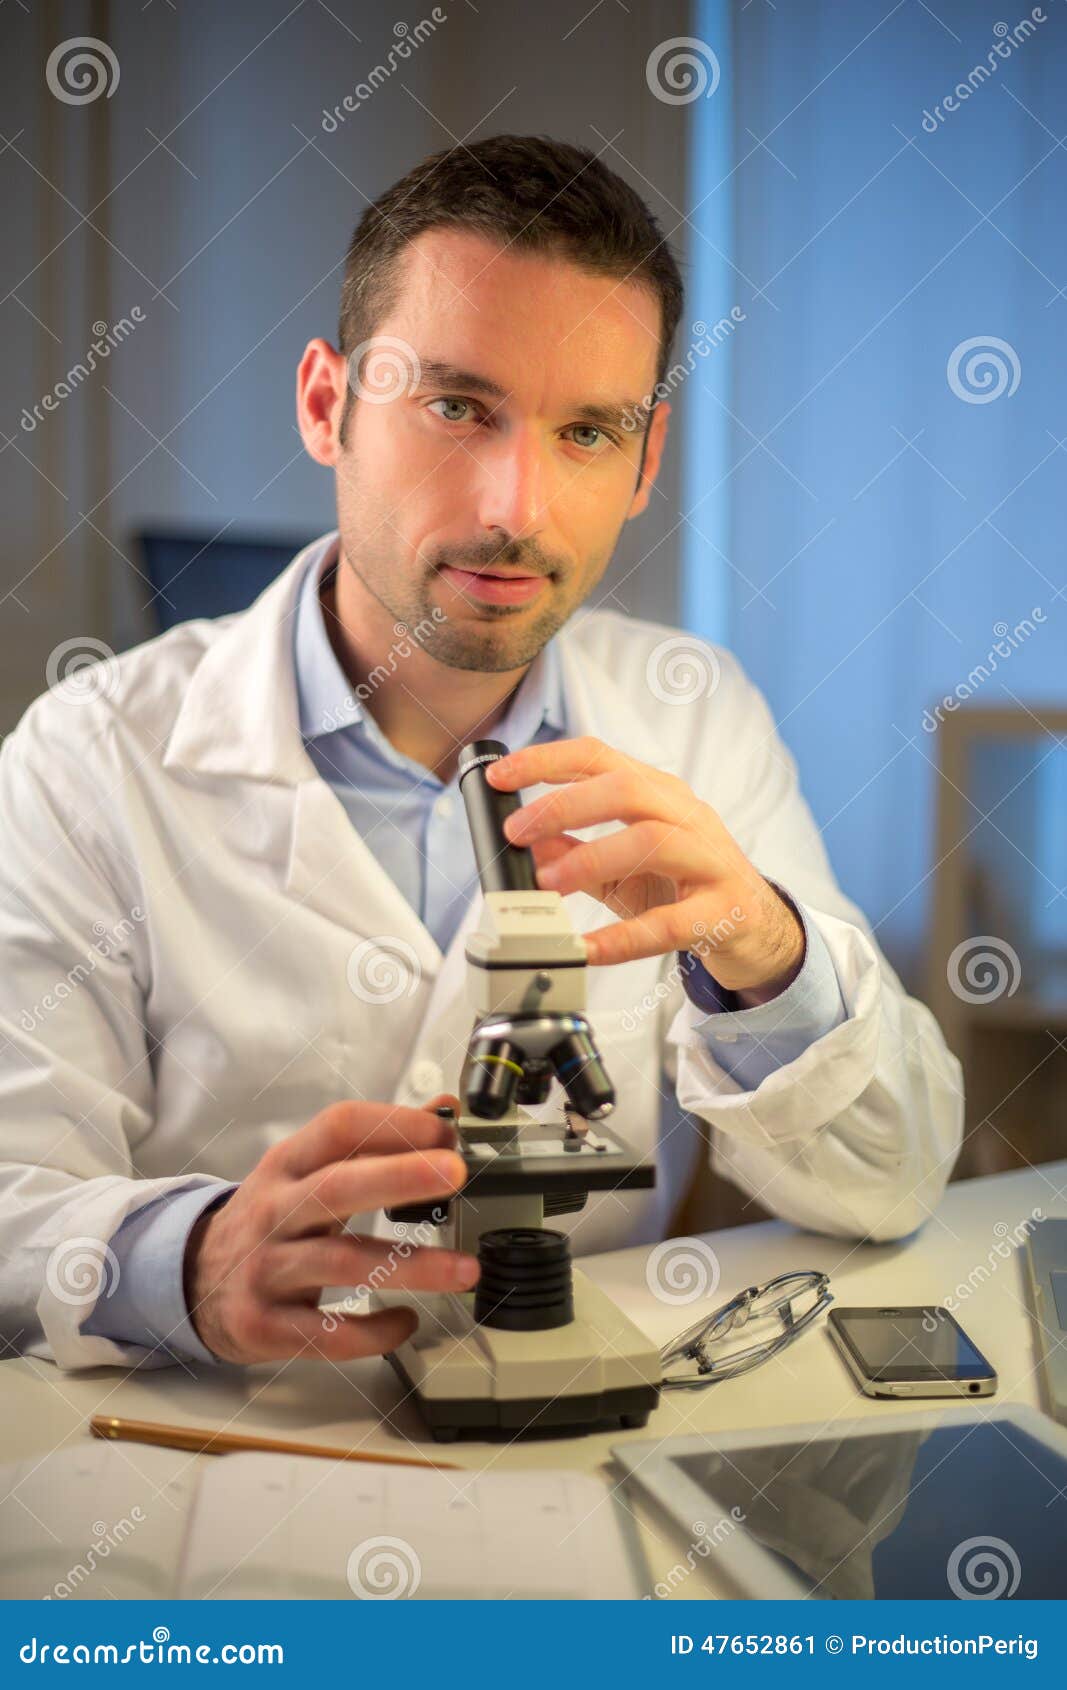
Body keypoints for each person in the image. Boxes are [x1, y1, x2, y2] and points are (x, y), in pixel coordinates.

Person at [0, 135, 962, 1374]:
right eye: (457, 407)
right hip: (219, 1446)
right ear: (325, 406)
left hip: (569, 1433)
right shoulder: (87, 756)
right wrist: (188, 1259)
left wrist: (767, 958)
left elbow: (889, 1182)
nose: (516, 506)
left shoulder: (696, 716)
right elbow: (14, 1193)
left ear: (645, 462)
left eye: (587, 431)